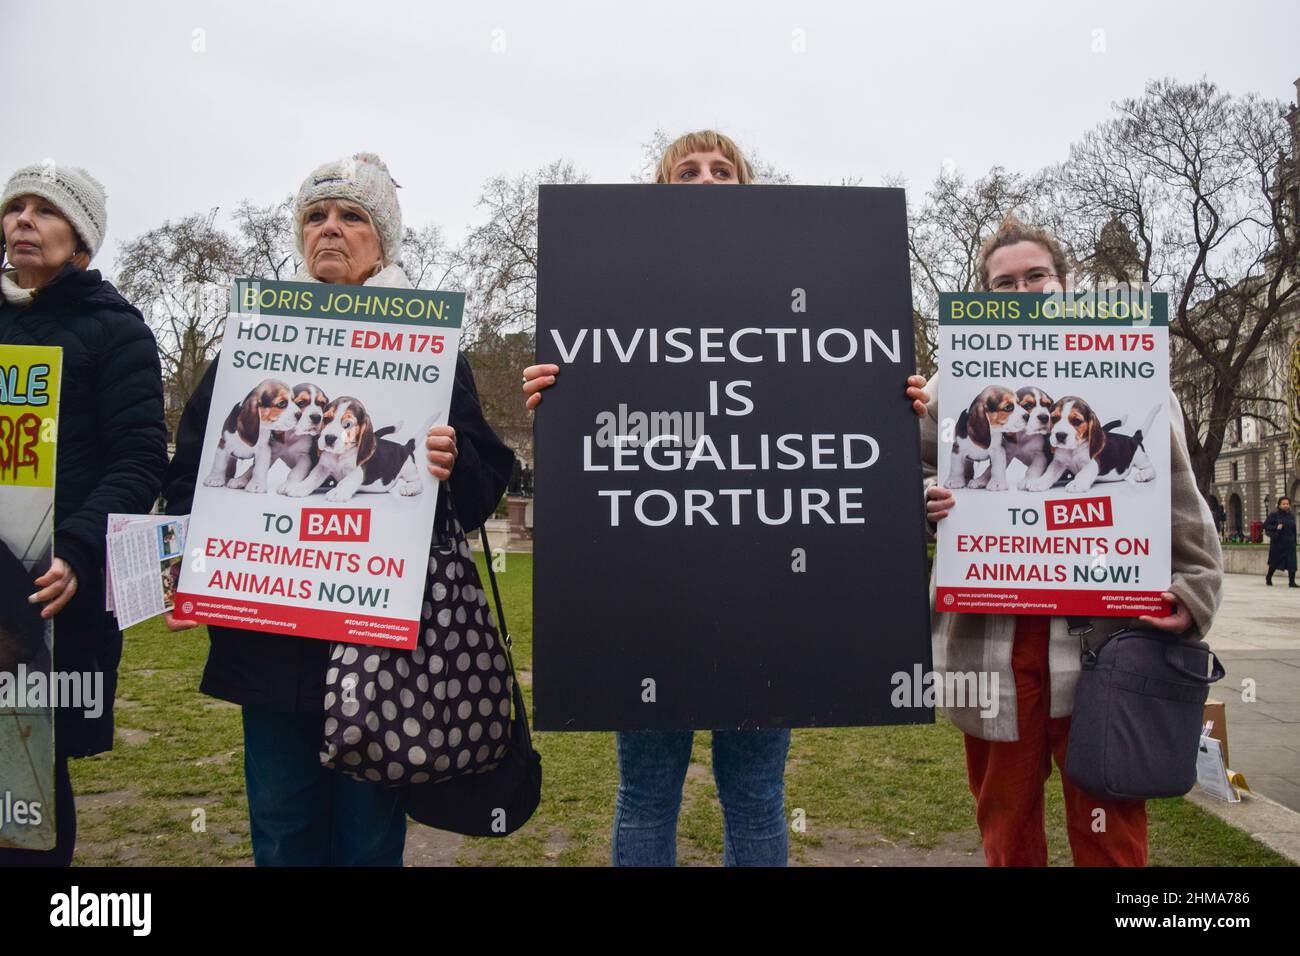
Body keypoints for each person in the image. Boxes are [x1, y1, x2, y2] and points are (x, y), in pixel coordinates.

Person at [523, 130, 921, 866]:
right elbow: (602, 426)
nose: (705, 180)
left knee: (757, 801)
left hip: (766, 607)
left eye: (721, 169)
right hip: (649, 604)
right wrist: (558, 394)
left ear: (746, 187)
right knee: (645, 799)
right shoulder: (613, 295)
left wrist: (888, 404)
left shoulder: (799, 292)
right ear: (660, 189)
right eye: (686, 171)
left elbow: (827, 414)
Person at [162, 153, 515, 867]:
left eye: (352, 216)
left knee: (366, 836)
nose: (331, 227)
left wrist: (452, 463)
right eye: (315, 216)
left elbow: (479, 495)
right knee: (284, 825)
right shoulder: (252, 337)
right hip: (270, 634)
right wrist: (180, 552)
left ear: (382, 239)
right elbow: (194, 464)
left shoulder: (431, 349)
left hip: (381, 642)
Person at [905, 216, 1224, 866]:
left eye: (1035, 277)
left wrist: (1193, 591)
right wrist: (923, 498)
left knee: (1110, 834)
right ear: (984, 296)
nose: (1020, 291)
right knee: (1006, 828)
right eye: (1003, 283)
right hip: (990, 645)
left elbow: (1180, 505)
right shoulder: (948, 389)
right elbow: (900, 482)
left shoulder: (1134, 377)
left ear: (1064, 285)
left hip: (1106, 644)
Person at [0, 164, 168, 866]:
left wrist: (75, 546)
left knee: (24, 783)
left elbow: (137, 461)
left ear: (82, 242)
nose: (23, 221)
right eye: (14, 209)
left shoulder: (116, 334)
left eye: (45, 211)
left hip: (40, 595)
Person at [1264, 496, 1296, 587]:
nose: (1286, 505)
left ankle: (1292, 582)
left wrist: (1294, 542)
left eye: (1287, 504)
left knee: (1292, 563)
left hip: (1290, 544)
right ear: (1279, 505)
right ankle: (1269, 577)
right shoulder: (1274, 515)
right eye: (1284, 504)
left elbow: (1293, 530)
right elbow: (1266, 526)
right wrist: (1276, 528)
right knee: (1274, 562)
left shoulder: (1291, 516)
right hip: (1278, 543)